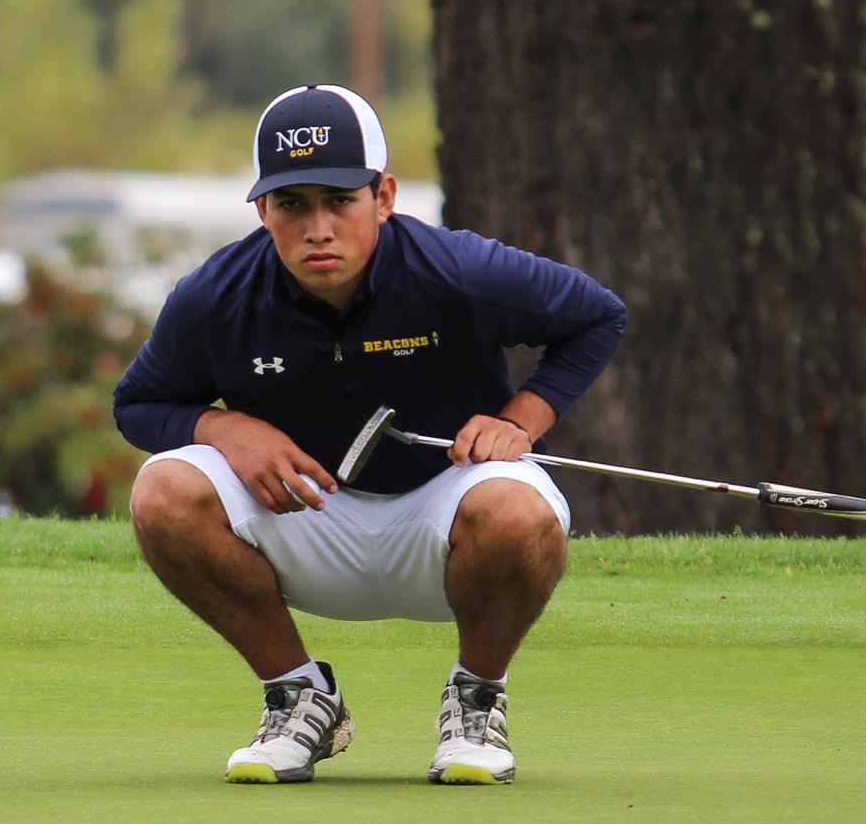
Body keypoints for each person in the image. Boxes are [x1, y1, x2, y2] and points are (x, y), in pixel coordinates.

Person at [112, 84, 626, 785]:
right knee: (162, 491)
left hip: (446, 512)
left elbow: (598, 315)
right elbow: (138, 403)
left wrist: (520, 420)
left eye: (339, 200)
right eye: (292, 204)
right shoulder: (216, 296)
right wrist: (223, 425)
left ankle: (476, 701)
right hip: (304, 518)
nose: (317, 228)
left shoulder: (456, 270)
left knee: (517, 509)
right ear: (262, 210)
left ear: (383, 197)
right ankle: (298, 696)